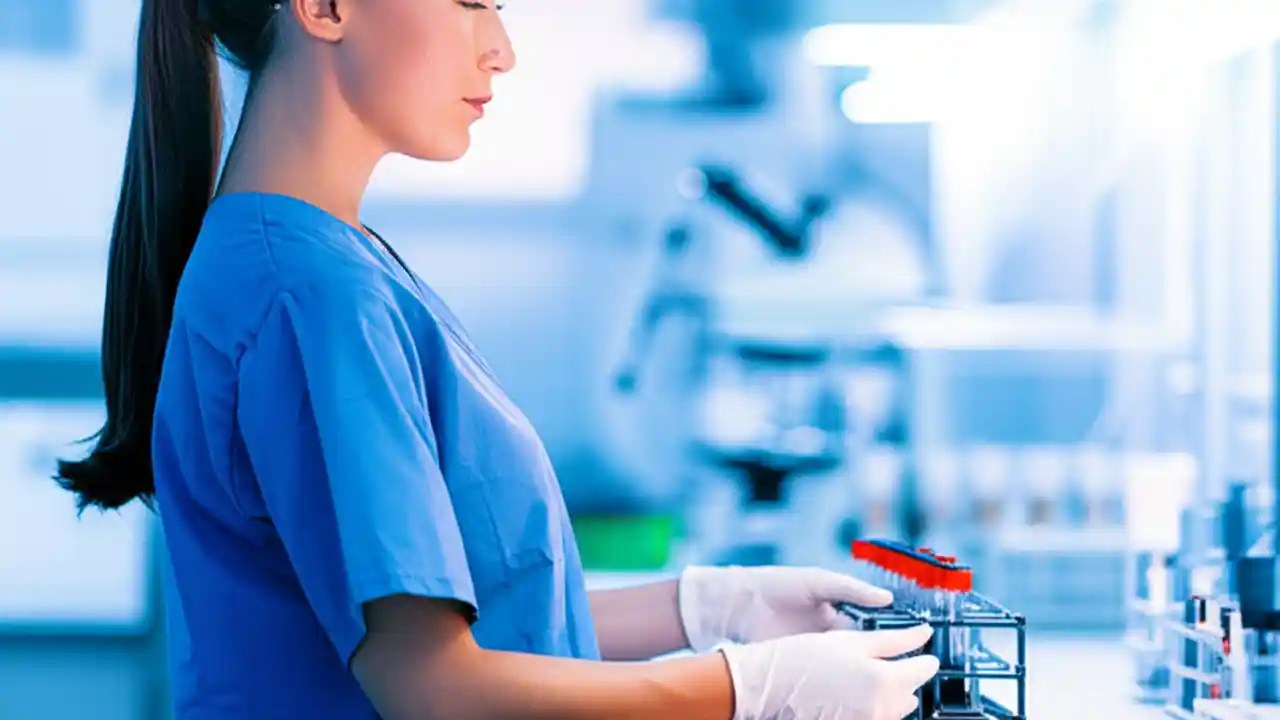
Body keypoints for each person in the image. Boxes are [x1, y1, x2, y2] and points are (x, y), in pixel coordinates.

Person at [53, 0, 939, 717]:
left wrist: (705, 608)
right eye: (471, 1)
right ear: (322, 7)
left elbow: (462, 627)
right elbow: (432, 685)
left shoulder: (316, 263)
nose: (502, 48)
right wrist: (747, 689)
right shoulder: (313, 297)